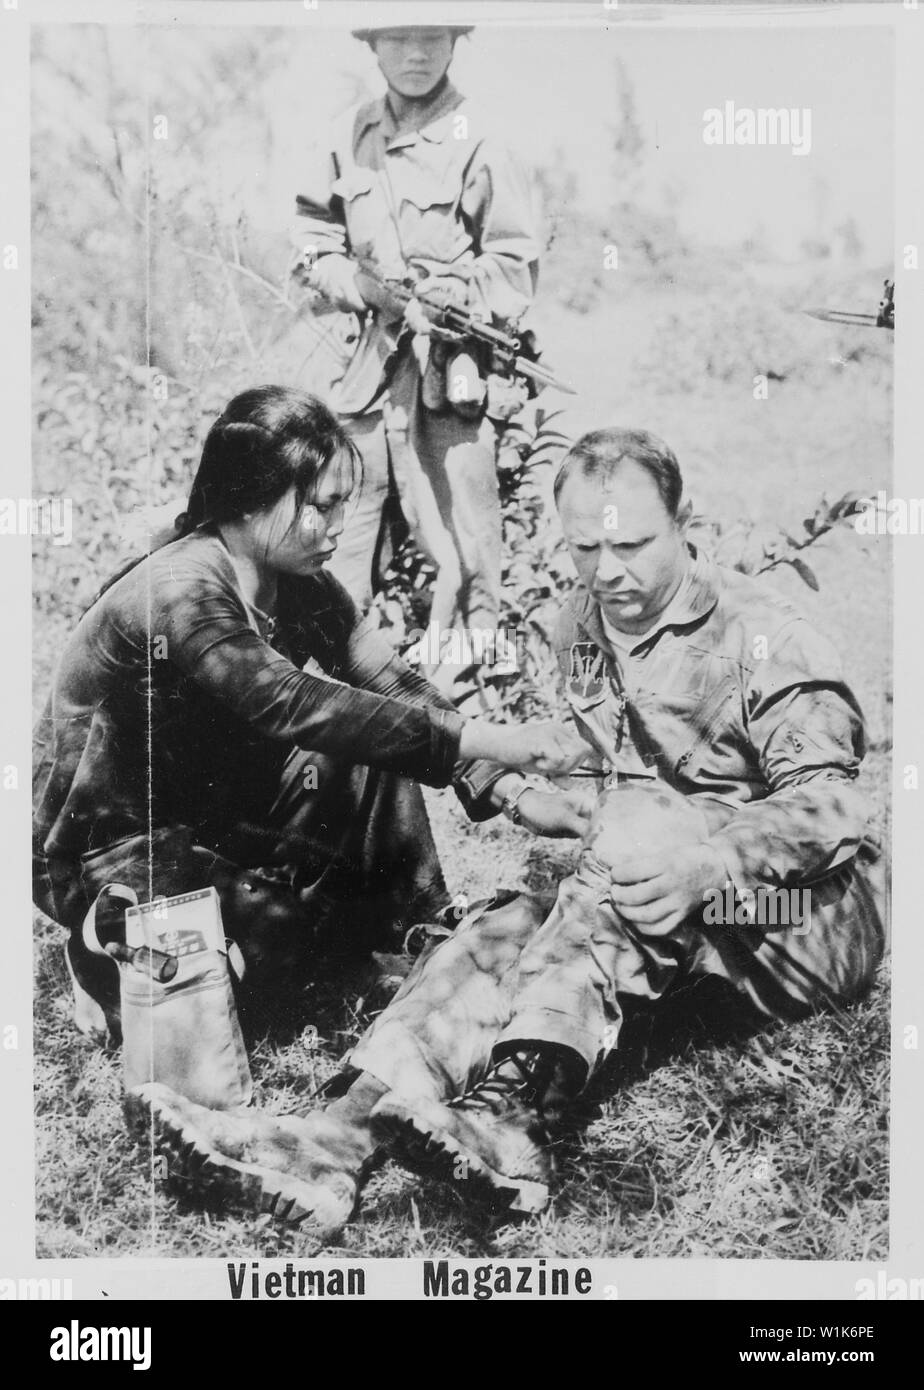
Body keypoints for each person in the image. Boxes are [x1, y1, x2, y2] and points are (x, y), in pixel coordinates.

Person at [127, 425, 885, 1228]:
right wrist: (552, 799)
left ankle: (516, 1121)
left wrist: (709, 867)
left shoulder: (764, 635)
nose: (609, 571)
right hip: (652, 909)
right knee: (503, 929)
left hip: (793, 914)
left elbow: (834, 807)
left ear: (684, 521)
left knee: (636, 850)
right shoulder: (578, 627)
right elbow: (610, 769)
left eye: (633, 543)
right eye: (585, 548)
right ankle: (333, 1143)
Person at [32, 385, 590, 1052]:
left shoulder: (297, 582)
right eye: (320, 508)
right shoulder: (181, 590)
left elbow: (390, 684)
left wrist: (516, 791)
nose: (336, 527)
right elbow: (292, 703)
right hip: (109, 844)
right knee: (268, 961)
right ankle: (105, 948)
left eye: (340, 507)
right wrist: (509, 738)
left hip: (205, 807)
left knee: (368, 746)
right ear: (250, 497)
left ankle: (420, 928)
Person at [291, 23, 540, 696]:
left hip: (451, 371)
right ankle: (346, 680)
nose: (416, 54)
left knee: (466, 539)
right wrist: (362, 287)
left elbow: (516, 262)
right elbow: (316, 242)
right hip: (369, 371)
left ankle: (463, 694)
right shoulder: (350, 135)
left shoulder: (484, 136)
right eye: (399, 39)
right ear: (373, 47)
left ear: (456, 43)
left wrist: (455, 295)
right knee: (345, 528)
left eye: (432, 37)